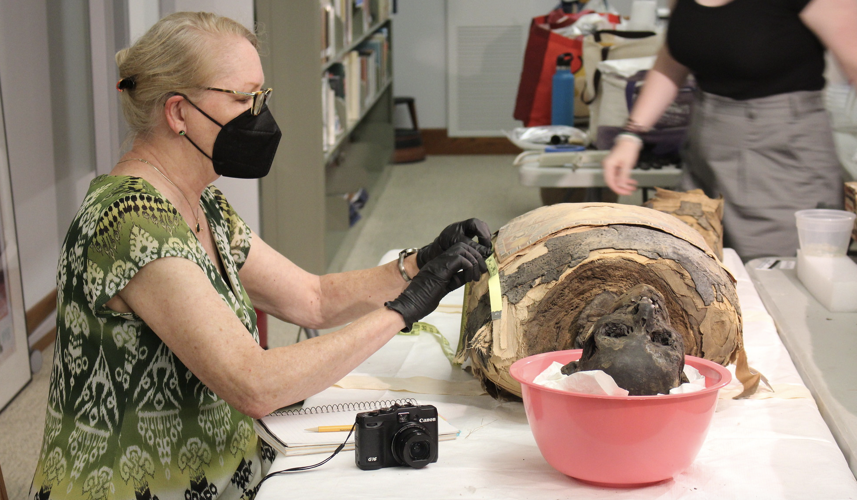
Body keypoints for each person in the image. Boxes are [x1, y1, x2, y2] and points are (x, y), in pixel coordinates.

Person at [29, 12, 492, 500]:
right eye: (242, 98)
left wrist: (419, 263)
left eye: (261, 97)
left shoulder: (199, 199)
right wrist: (403, 311)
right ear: (178, 112)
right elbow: (255, 385)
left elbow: (311, 298)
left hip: (228, 467)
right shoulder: (128, 221)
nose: (259, 114)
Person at [602, 0, 857, 260]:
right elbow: (672, 61)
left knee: (772, 281)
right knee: (692, 271)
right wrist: (631, 135)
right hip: (703, 154)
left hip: (780, 161)